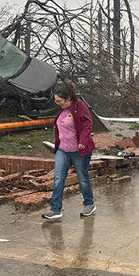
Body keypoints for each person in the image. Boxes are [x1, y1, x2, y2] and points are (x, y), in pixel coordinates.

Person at [42, 82, 96, 220]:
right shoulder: (61, 109)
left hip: (79, 151)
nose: (58, 103)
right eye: (56, 101)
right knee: (58, 178)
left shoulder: (79, 106)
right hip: (63, 150)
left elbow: (88, 124)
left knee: (82, 178)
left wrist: (83, 140)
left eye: (60, 100)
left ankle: (89, 204)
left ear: (68, 98)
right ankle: (55, 209)